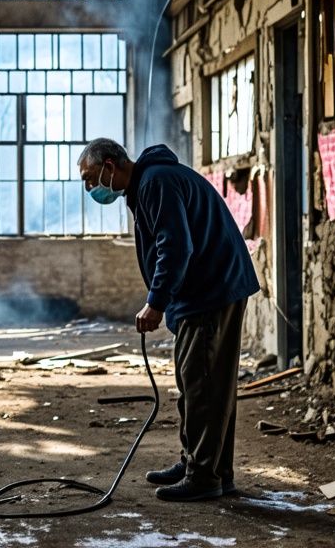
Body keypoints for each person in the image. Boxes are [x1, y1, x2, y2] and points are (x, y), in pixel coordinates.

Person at [78, 138, 259, 502]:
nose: (89, 187)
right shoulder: (149, 182)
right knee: (198, 382)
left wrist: (156, 302)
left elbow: (175, 246)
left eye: (90, 177)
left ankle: (204, 477)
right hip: (203, 292)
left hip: (211, 290)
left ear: (110, 165)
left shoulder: (155, 182)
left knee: (203, 384)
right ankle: (203, 465)